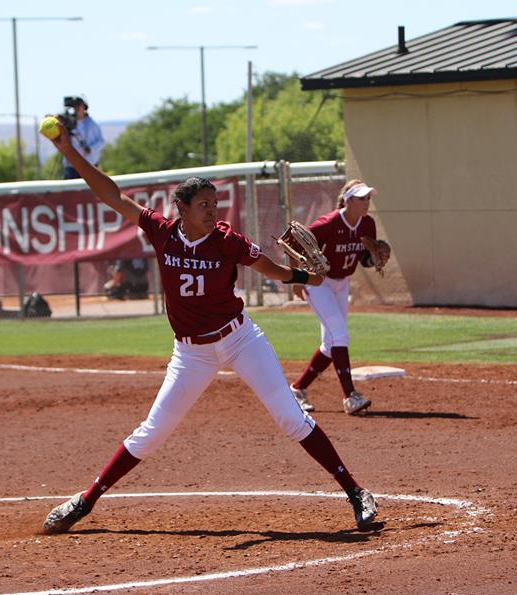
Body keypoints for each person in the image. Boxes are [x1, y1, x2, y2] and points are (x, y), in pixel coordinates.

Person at [40, 118, 378, 534]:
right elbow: (109, 193)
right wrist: (67, 150)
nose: (212, 210)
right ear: (181, 208)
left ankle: (356, 492)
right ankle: (84, 501)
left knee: (291, 418)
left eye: (214, 203)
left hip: (240, 339)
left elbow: (267, 267)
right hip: (191, 353)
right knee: (152, 432)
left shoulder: (226, 239)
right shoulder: (162, 231)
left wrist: (305, 278)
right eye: (203, 204)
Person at [289, 180, 391, 416]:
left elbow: (364, 257)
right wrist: (296, 279)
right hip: (319, 283)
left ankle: (297, 389)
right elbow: (294, 241)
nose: (367, 202)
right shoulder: (329, 223)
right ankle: (350, 397)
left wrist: (372, 259)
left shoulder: (367, 224)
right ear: (348, 200)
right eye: (362, 198)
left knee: (329, 345)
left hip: (342, 283)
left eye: (368, 198)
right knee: (340, 334)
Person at [61, 97, 105, 180]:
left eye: (79, 105)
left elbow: (101, 142)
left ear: (84, 107)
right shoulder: (69, 123)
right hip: (72, 167)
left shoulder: (92, 124)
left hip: (90, 165)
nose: (76, 108)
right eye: (74, 106)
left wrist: (91, 149)